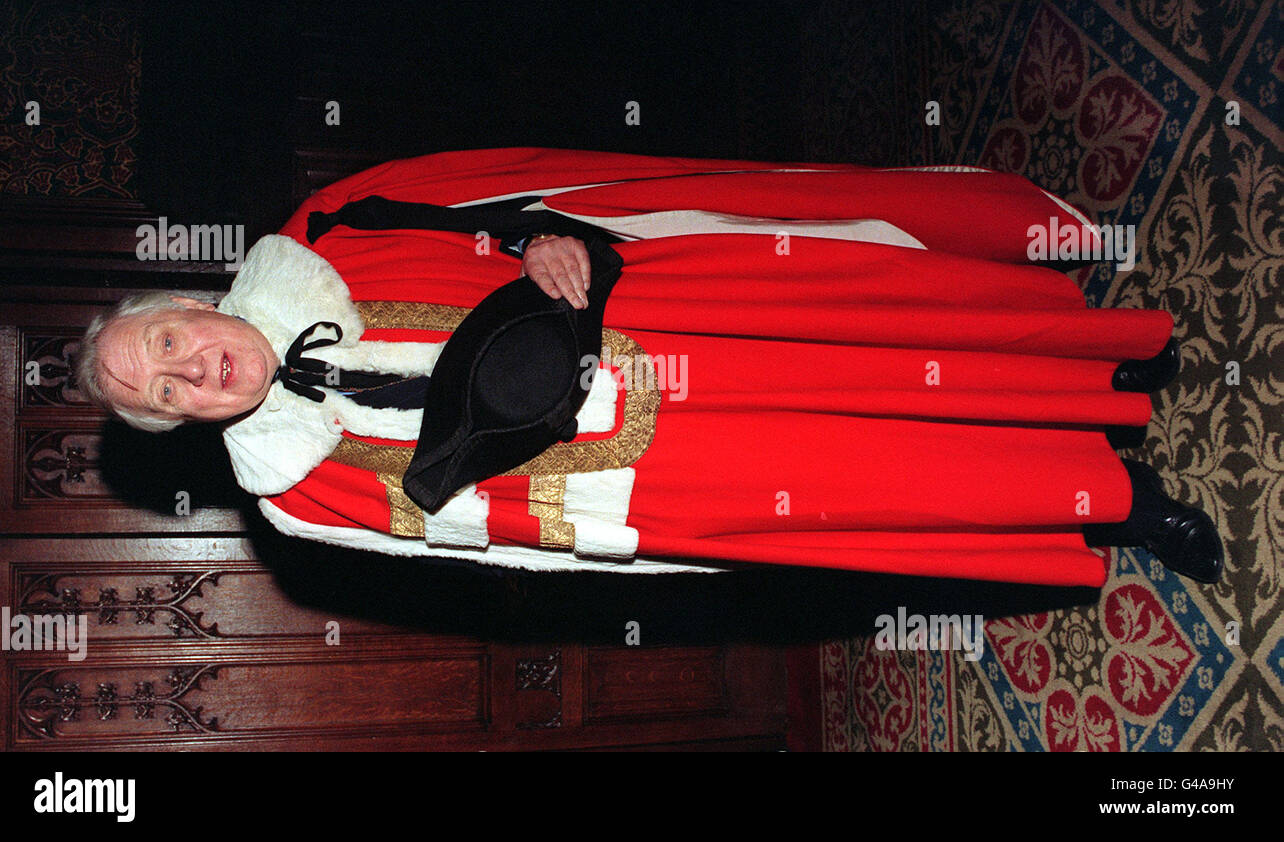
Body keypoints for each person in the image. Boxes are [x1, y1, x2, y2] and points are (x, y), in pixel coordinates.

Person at [76, 147, 1224, 585]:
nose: (192, 372)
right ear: (180, 426)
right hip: (649, 472)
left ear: (189, 302)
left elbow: (503, 192)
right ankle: (1122, 503)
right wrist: (652, 551)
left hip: (665, 309)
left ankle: (1093, 378)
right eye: (163, 393)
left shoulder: (328, 223)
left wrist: (543, 237)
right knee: (878, 475)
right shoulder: (291, 496)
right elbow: (481, 549)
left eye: (168, 345)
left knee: (877, 344)